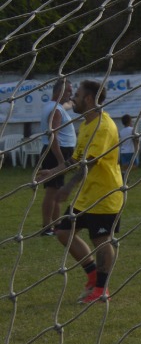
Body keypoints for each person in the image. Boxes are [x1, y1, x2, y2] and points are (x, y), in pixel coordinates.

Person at [53, 79, 123, 306]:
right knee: (63, 232)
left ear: (89, 99)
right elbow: (77, 159)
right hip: (87, 195)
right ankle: (93, 277)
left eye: (78, 94)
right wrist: (53, 171)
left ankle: (102, 290)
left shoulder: (103, 126)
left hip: (105, 195)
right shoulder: (86, 124)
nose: (73, 99)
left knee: (101, 240)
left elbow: (90, 163)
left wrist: (67, 186)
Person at [35, 79, 76, 236]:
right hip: (56, 153)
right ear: (59, 92)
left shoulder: (56, 107)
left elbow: (68, 104)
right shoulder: (56, 110)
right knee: (52, 191)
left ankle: (56, 224)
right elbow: (53, 136)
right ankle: (47, 227)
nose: (70, 94)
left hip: (58, 152)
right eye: (68, 91)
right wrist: (60, 160)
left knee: (56, 190)